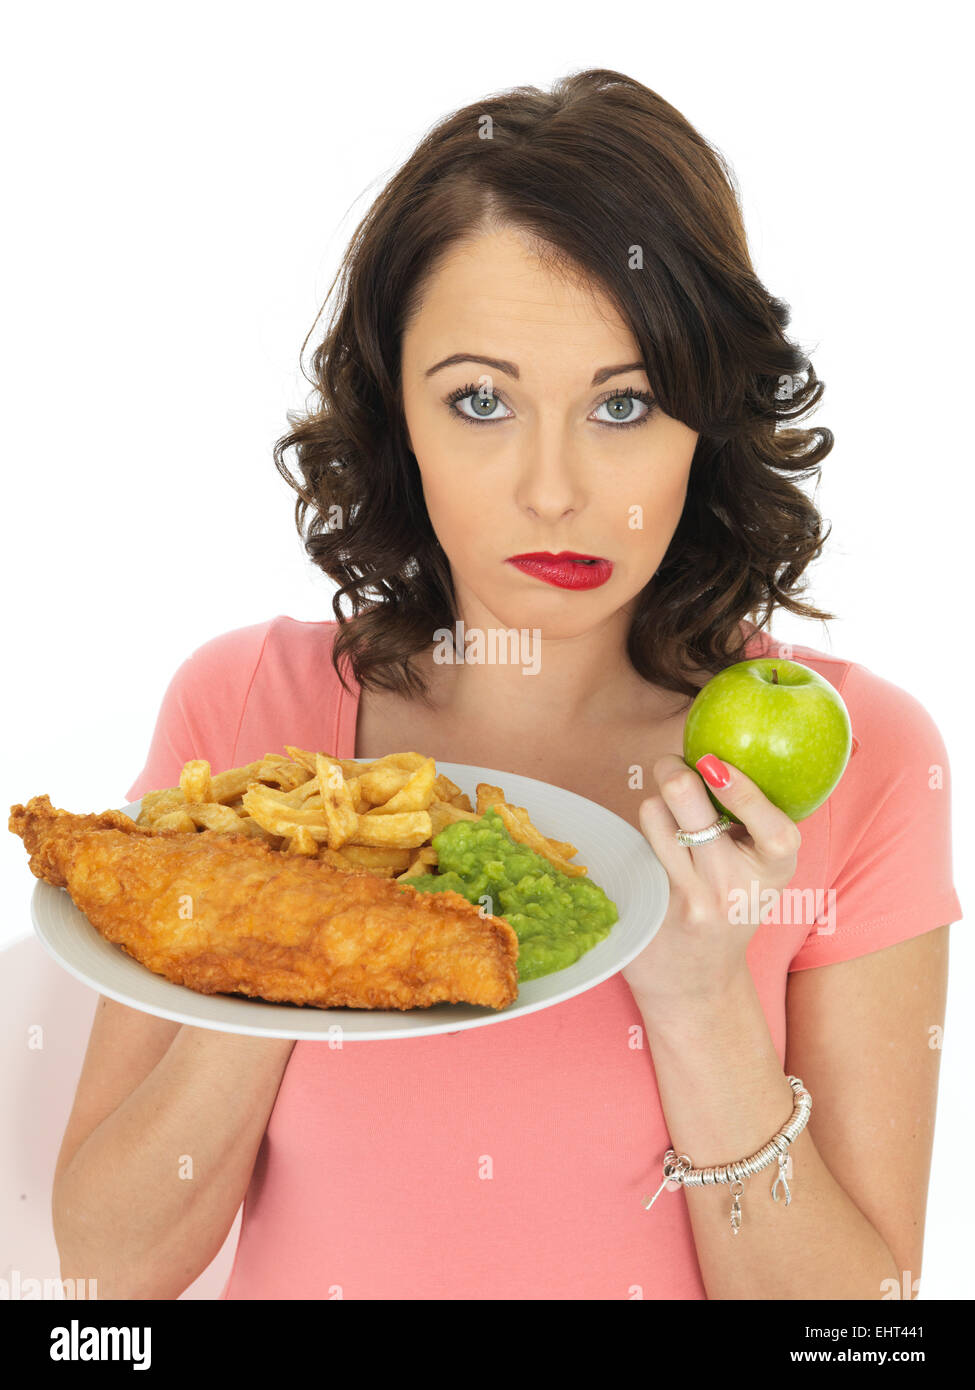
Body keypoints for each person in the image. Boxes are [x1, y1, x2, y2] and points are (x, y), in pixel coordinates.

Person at [51, 68, 961, 1301]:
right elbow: (107, 1273)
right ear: (396, 416)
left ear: (710, 416)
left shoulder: (856, 758)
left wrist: (701, 1004)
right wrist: (281, 918)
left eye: (624, 402)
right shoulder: (254, 723)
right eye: (481, 400)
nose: (553, 490)